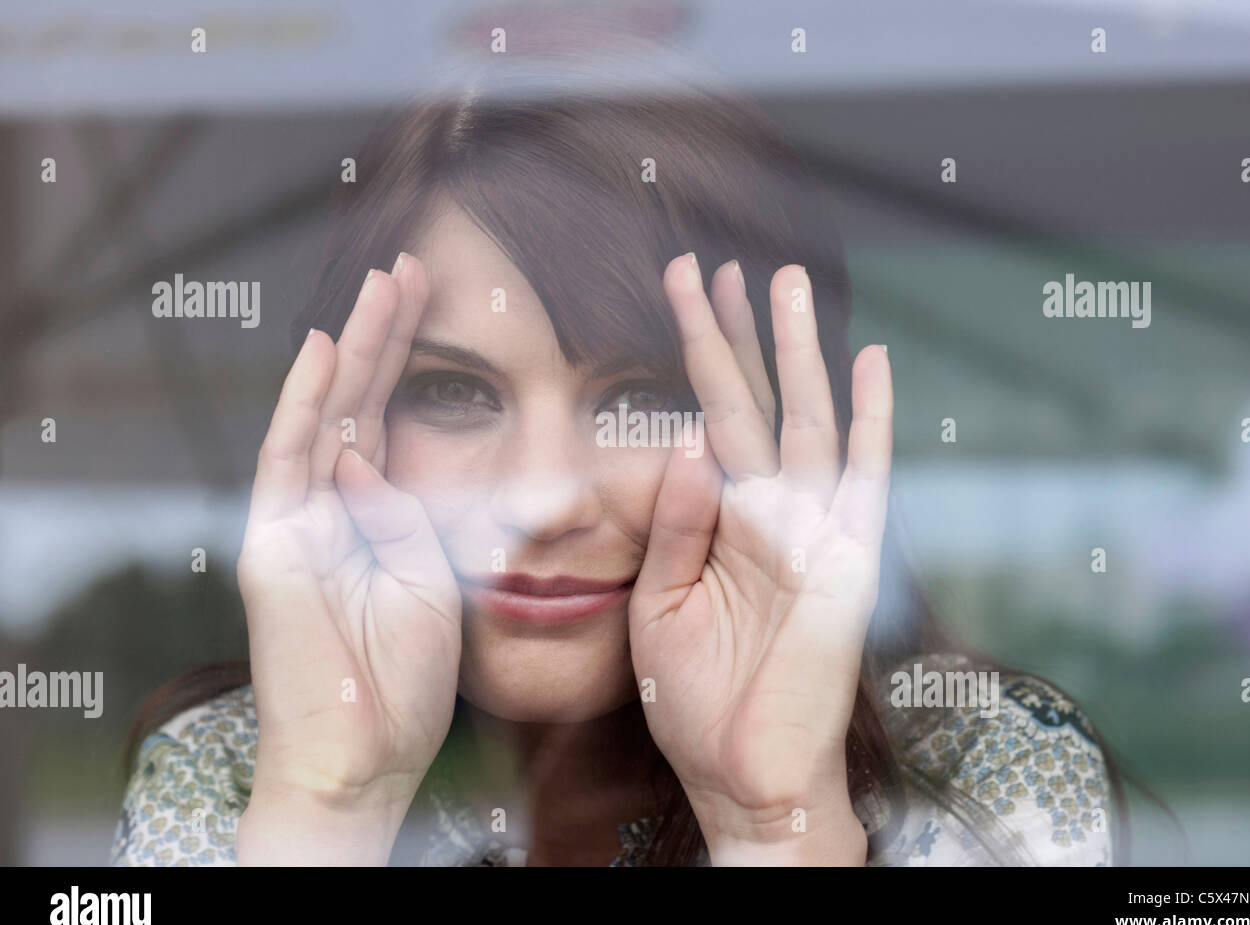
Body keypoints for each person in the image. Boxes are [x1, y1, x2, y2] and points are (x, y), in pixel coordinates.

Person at [112, 51, 1123, 867]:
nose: (541, 500)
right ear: (347, 413)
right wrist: (327, 811)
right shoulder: (234, 776)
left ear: (775, 416)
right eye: (455, 391)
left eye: (639, 398)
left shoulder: (992, 772)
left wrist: (777, 826)